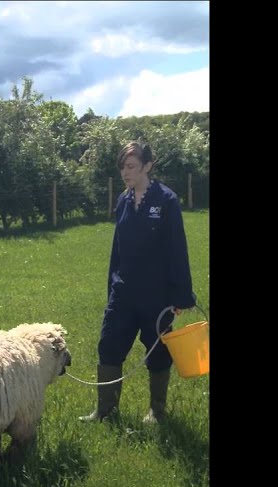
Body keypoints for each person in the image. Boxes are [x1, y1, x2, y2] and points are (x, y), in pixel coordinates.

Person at [80, 141, 196, 424]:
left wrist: (180, 297)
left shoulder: (166, 201)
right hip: (123, 293)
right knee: (109, 346)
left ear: (147, 166)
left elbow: (177, 250)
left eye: (131, 166)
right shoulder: (122, 201)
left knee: (157, 352)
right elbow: (117, 250)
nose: (125, 172)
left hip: (156, 297)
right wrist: (112, 288)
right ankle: (105, 411)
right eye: (122, 167)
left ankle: (157, 411)